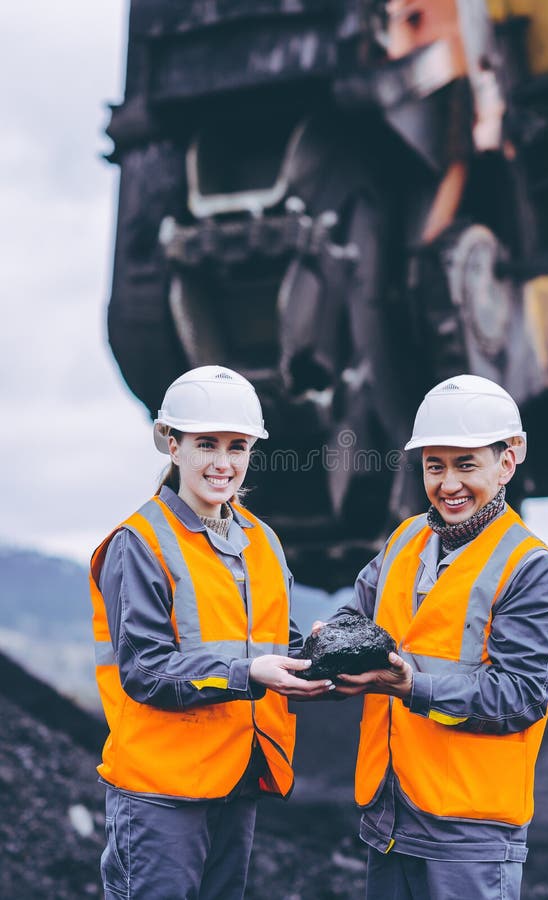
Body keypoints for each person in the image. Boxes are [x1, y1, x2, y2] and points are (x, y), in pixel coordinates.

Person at [314, 374, 548, 900]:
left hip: (469, 833)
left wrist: (411, 685)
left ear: (507, 462)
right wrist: (331, 643)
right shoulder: (406, 539)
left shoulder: (534, 571)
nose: (448, 483)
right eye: (435, 465)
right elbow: (358, 613)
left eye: (466, 464)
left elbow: (520, 697)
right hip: (389, 819)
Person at [90, 365, 332, 900]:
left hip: (236, 779)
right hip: (161, 794)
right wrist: (249, 673)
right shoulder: (140, 544)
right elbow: (146, 672)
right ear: (172, 446)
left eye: (237, 447)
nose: (223, 464)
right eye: (206, 444)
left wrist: (323, 653)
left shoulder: (261, 540)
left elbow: (276, 643)